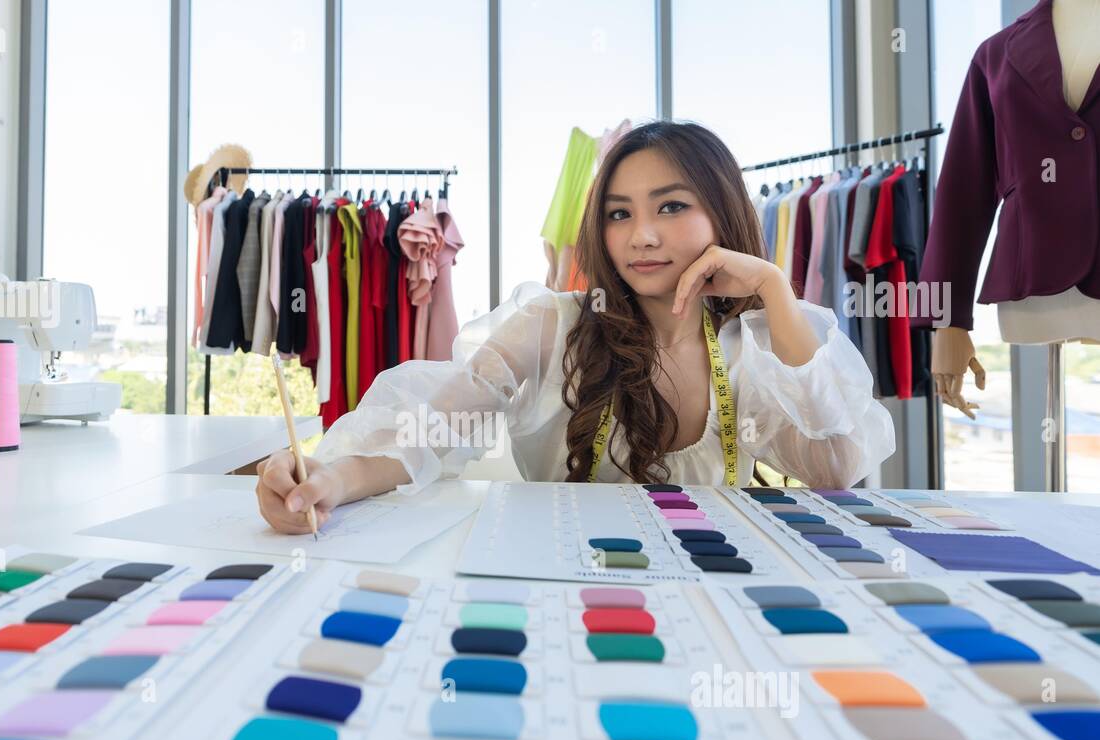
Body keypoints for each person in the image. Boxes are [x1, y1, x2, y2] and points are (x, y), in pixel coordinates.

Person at [257, 120, 895, 534]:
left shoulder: (754, 348)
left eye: (671, 206)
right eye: (619, 214)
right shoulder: (552, 327)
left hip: (710, 598)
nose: (641, 236)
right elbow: (429, 428)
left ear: (722, 212)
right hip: (565, 596)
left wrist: (774, 290)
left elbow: (834, 470)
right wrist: (330, 479)